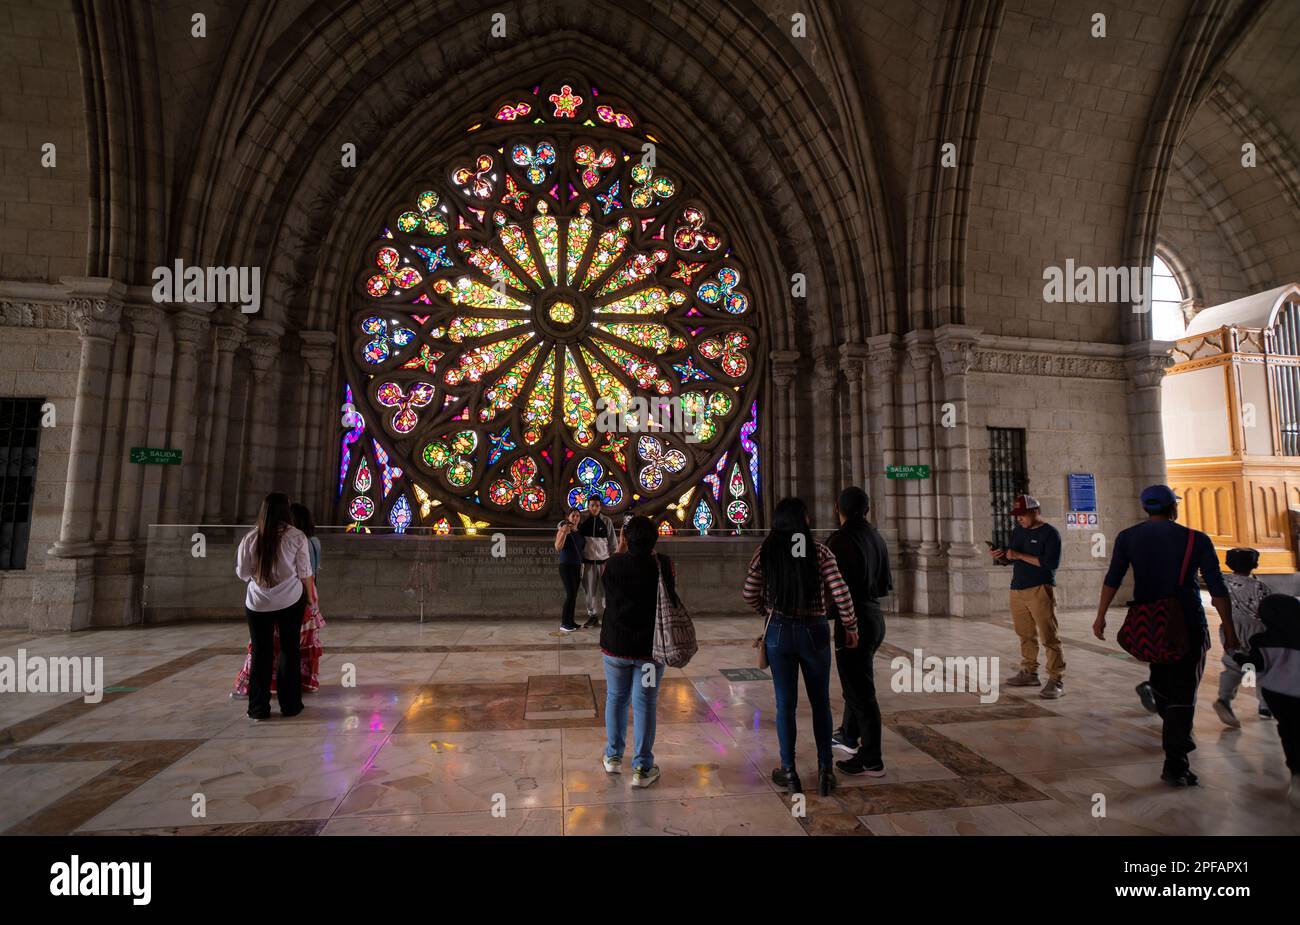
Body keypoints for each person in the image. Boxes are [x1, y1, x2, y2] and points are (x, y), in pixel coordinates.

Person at [1093, 484, 1237, 787]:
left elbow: (1113, 577)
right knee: (1184, 693)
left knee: (1163, 678)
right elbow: (1217, 587)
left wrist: (1101, 614)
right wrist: (1229, 627)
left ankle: (1160, 699)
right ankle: (1176, 763)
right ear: (1173, 507)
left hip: (1149, 625)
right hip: (1186, 623)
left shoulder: (1128, 538)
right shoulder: (1195, 539)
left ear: (1146, 508)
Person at [744, 497, 857, 796]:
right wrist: (850, 625)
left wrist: (766, 611)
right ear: (803, 521)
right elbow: (841, 592)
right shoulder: (820, 551)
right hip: (815, 631)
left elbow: (748, 592)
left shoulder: (765, 551)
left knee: (785, 705)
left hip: (779, 632)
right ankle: (824, 772)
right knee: (821, 703)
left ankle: (790, 772)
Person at [599, 515, 676, 787]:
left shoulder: (612, 564)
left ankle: (613, 758)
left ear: (625, 538)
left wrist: (620, 549)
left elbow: (607, 584)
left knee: (616, 698)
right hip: (648, 653)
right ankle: (643, 768)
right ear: (655, 539)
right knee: (644, 704)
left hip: (615, 648)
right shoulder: (663, 564)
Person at [826, 486, 891, 777]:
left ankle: (871, 759)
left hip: (853, 621)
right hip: (875, 617)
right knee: (857, 682)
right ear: (867, 509)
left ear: (838, 507)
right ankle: (848, 737)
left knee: (861, 692)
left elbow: (833, 589)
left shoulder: (840, 540)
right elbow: (884, 584)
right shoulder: (876, 537)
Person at [235, 492, 316, 720]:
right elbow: (305, 572)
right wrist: (310, 599)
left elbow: (242, 573)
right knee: (289, 651)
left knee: (261, 653)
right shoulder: (296, 536)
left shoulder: (250, 538)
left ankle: (258, 708)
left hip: (257, 603)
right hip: (290, 600)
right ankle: (290, 705)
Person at [989, 494, 1065, 699]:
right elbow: (1014, 559)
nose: (1018, 519)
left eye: (1022, 514)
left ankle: (1056, 679)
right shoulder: (1018, 531)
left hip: (1040, 589)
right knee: (1025, 634)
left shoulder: (1051, 534)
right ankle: (1030, 672)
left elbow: (1051, 564)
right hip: (1017, 588)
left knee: (1049, 636)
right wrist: (1003, 557)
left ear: (1035, 512)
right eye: (1016, 515)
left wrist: (1020, 555)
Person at [1233, 594, 1300, 808]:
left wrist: (1239, 659)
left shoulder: (1262, 642)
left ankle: (1297, 773)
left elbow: (1253, 670)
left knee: (1290, 731)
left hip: (1280, 697)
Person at [1214, 547, 1272, 728]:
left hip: (1231, 629)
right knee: (1263, 667)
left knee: (1233, 666)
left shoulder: (1222, 581)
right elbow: (1267, 610)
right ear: (1255, 564)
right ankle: (1264, 706)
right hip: (1257, 631)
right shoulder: (1259, 586)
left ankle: (1224, 699)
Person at [578, 497, 615, 628]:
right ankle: (592, 615)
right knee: (590, 591)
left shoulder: (607, 521)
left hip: (604, 562)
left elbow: (612, 542)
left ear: (600, 507)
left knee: (606, 590)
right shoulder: (582, 520)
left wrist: (612, 560)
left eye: (597, 506)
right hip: (588, 563)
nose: (595, 508)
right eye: (592, 505)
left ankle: (607, 615)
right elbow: (568, 523)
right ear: (588, 506)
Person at [554, 509, 586, 633]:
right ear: (568, 517)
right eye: (573, 515)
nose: (575, 518)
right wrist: (563, 533)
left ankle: (571, 621)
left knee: (574, 595)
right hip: (566, 565)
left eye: (578, 516)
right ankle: (564, 623)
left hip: (577, 566)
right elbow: (557, 547)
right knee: (570, 594)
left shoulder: (579, 531)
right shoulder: (563, 529)